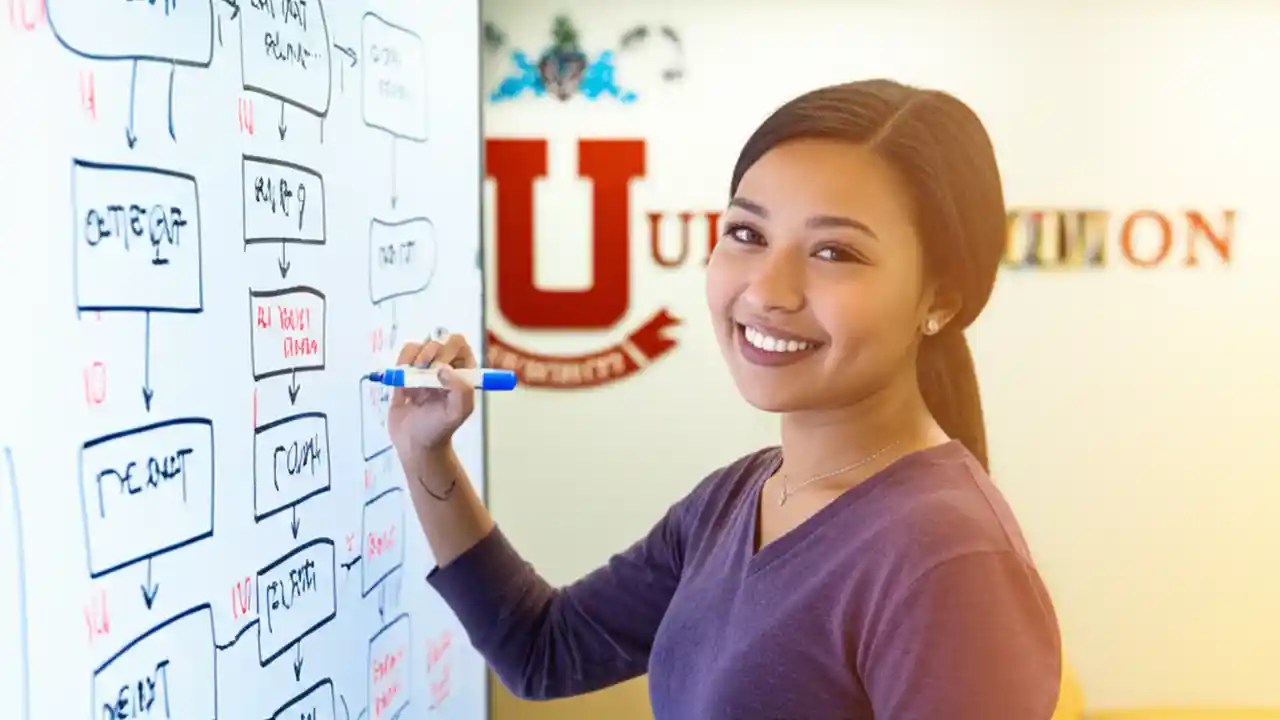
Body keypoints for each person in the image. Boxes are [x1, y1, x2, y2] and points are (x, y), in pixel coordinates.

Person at [390, 78, 1062, 718]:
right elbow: (542, 649)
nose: (769, 291)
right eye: (747, 234)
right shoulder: (735, 500)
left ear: (940, 298)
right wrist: (429, 456)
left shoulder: (950, 561)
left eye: (834, 252)